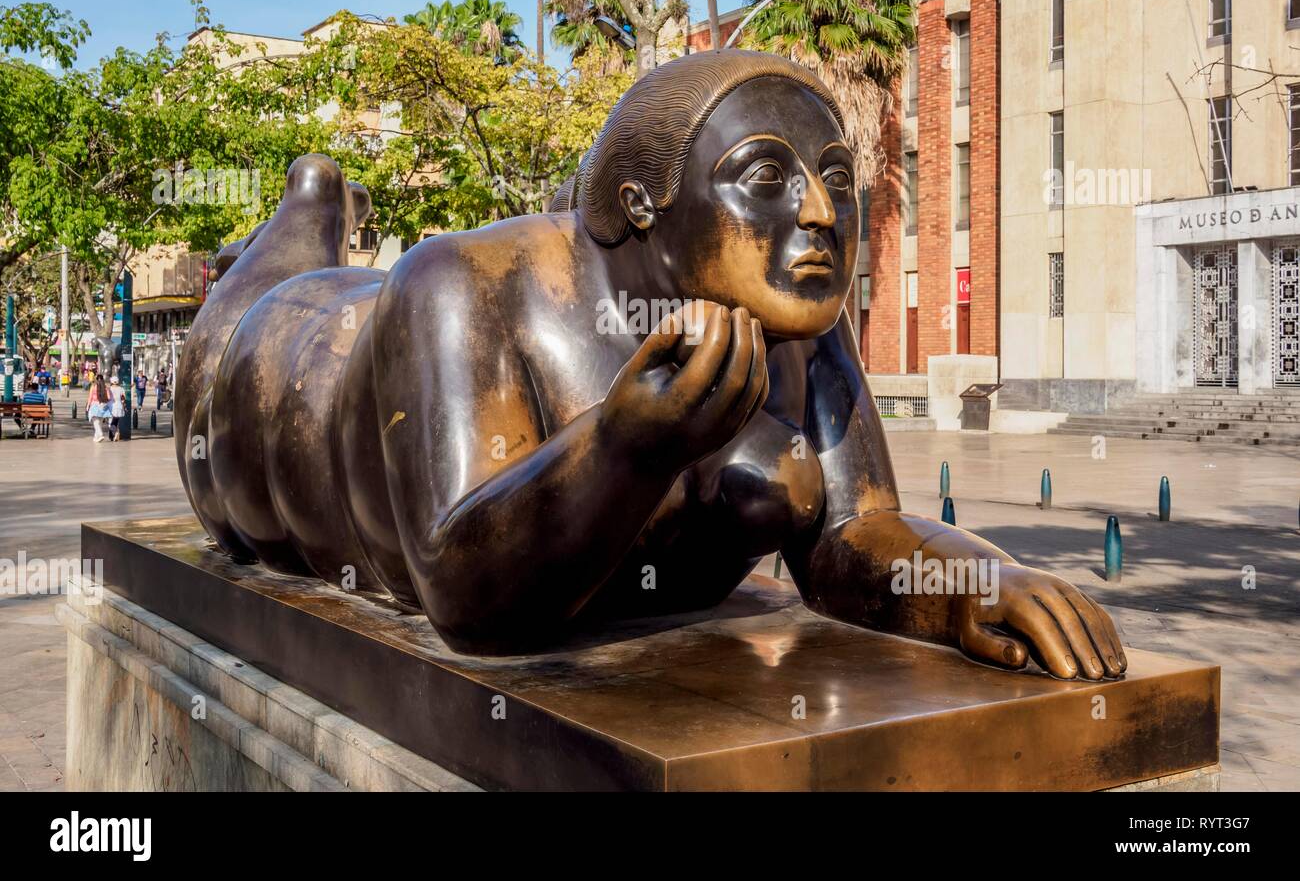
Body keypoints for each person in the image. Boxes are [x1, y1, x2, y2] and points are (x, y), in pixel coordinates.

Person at [174, 54, 1127, 680]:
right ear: (640, 204)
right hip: (283, 368)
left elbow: (850, 534)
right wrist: (626, 449)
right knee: (241, 335)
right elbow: (465, 600)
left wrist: (963, 580)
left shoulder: (795, 322)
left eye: (834, 178)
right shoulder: (466, 284)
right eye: (766, 179)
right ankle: (309, 208)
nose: (825, 215)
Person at [86, 373, 112, 442]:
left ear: (96, 379)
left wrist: (88, 406)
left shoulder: (93, 386)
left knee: (95, 422)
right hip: (104, 406)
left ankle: (100, 434)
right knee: (99, 422)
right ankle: (96, 437)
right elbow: (109, 397)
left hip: (95, 405)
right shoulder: (106, 387)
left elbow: (90, 397)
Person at [108, 376, 127, 441]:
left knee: (111, 421)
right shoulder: (121, 389)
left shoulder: (109, 389)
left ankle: (114, 433)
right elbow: (123, 399)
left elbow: (107, 398)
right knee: (116, 421)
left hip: (111, 406)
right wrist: (124, 406)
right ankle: (114, 434)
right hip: (119, 406)